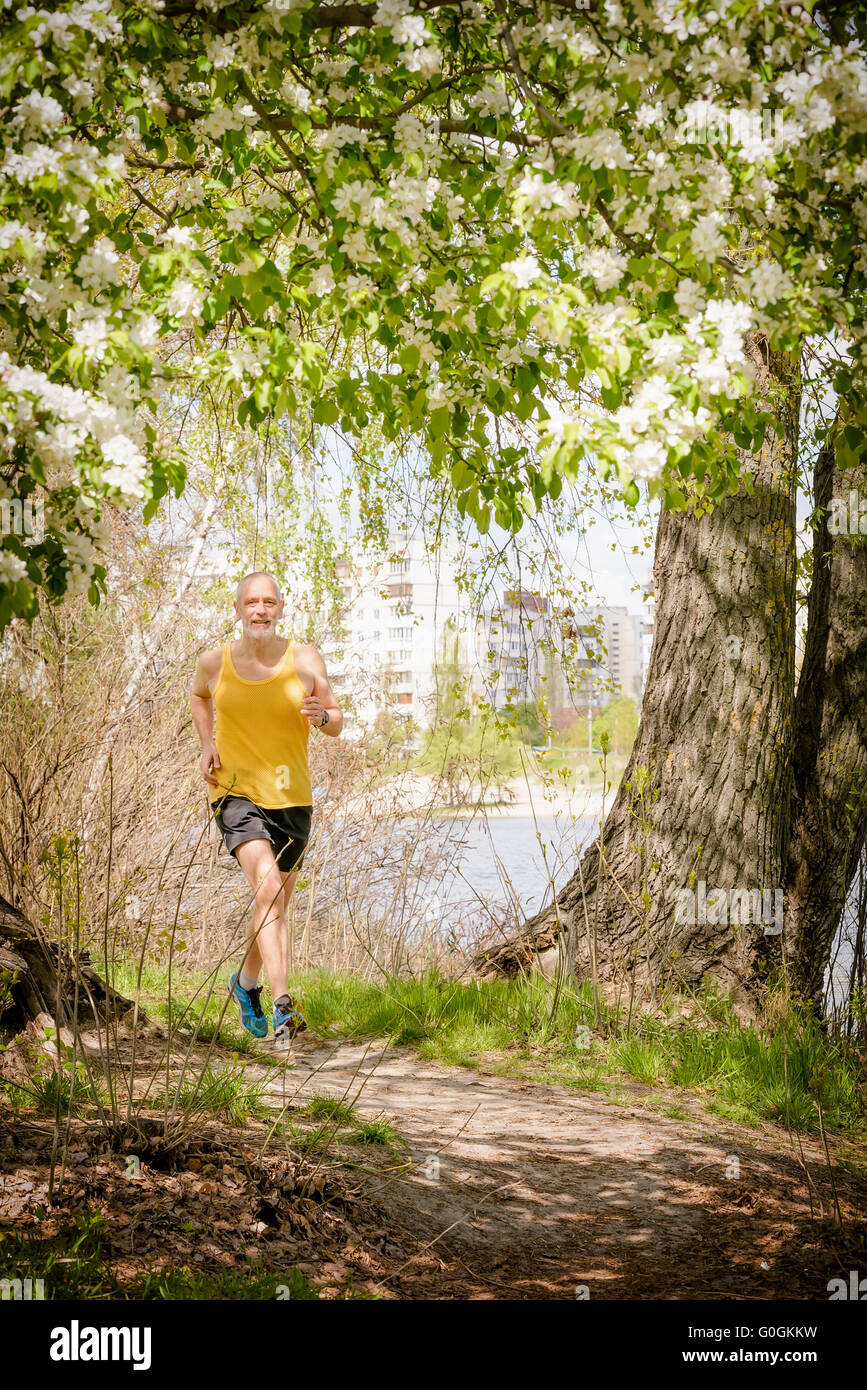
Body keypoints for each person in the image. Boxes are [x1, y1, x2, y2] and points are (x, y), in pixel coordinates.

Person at [190, 572, 342, 1045]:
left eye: (269, 602)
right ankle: (282, 1006)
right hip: (236, 793)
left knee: (272, 902)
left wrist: (324, 717)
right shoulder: (215, 663)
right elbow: (198, 696)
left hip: (294, 798)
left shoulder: (304, 658)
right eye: (251, 602)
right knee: (269, 888)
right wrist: (206, 744)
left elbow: (336, 720)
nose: (260, 610)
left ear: (280, 608)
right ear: (237, 609)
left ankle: (245, 985)